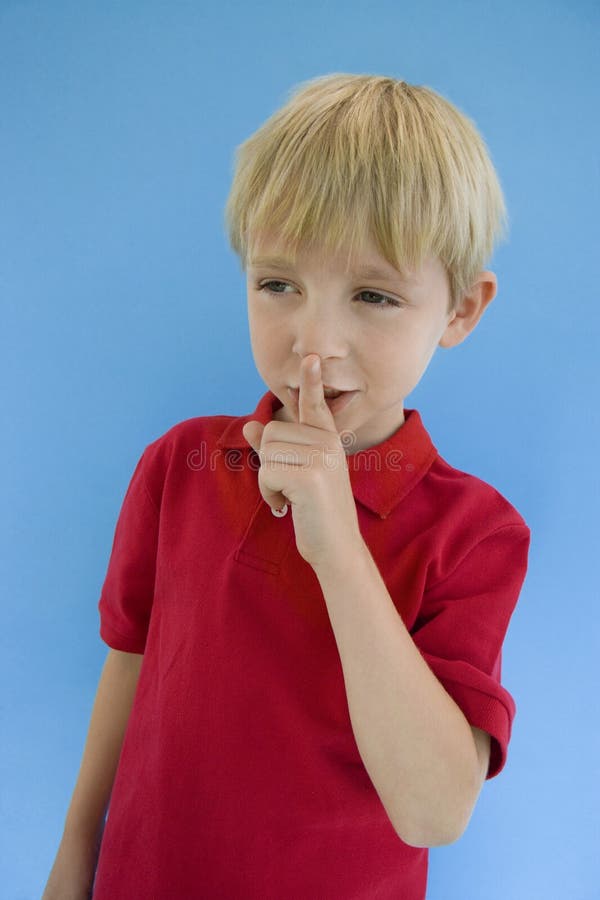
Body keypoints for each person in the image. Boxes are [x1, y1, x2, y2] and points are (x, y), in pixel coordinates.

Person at [42, 73, 531, 900]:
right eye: (278, 285)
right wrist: (73, 861)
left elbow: (434, 814)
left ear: (460, 311)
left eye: (374, 295)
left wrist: (337, 544)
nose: (316, 340)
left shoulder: (475, 533)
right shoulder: (178, 467)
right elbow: (127, 666)